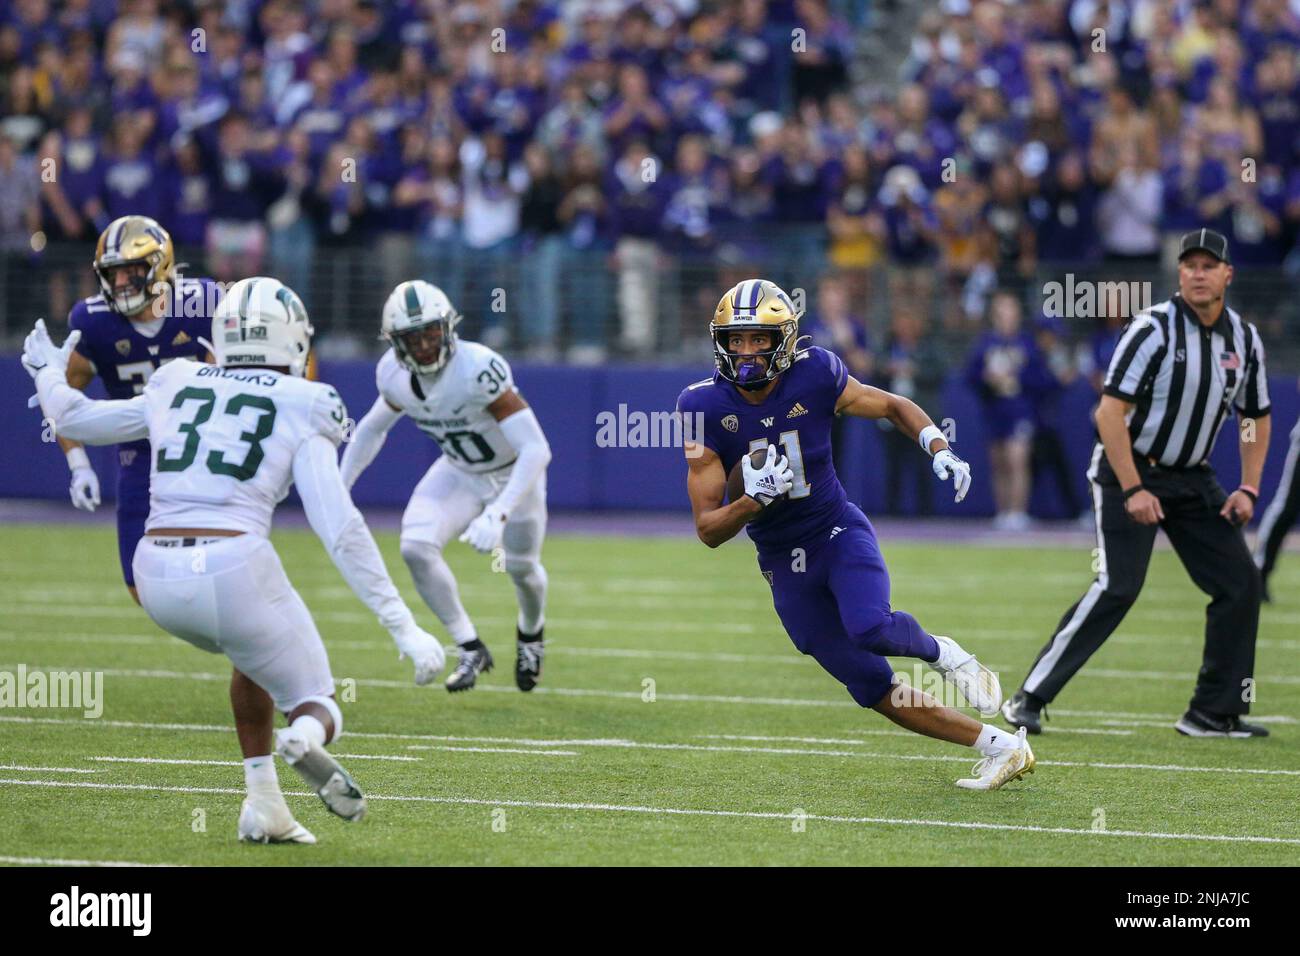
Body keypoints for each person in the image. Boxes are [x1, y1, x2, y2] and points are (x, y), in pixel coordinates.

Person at [23, 277, 445, 844]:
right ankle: (304, 737)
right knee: (317, 701)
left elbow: (75, 419)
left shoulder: (175, 379)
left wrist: (48, 371)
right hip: (233, 566)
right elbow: (339, 527)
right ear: (295, 342)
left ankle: (265, 805)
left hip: (156, 576)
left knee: (253, 654)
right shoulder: (308, 401)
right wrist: (403, 625)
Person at [675, 278, 1035, 791]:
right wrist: (753, 500)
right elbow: (708, 530)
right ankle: (1004, 748)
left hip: (835, 528)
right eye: (736, 339)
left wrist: (939, 448)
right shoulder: (700, 406)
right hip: (780, 558)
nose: (747, 351)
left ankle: (945, 653)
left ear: (783, 340)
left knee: (869, 626)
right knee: (870, 686)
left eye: (758, 338)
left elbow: (890, 405)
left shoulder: (816, 372)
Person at [1002, 229, 1272, 738]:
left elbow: (1254, 417)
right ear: (1179, 273)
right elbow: (1109, 413)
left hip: (1192, 476)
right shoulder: (1153, 329)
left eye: (1208, 265)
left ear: (1227, 275)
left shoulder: (1245, 340)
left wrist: (1250, 486)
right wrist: (1132, 489)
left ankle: (1212, 711)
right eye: (1189, 264)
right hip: (1131, 466)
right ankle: (1029, 696)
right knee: (1118, 586)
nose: (1197, 273)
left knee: (1241, 583)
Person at [341, 281, 553, 693]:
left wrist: (498, 511)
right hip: (458, 470)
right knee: (415, 546)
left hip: (514, 474)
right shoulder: (392, 373)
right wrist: (338, 488)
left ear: (448, 327)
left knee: (522, 569)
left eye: (431, 332)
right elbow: (369, 430)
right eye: (412, 337)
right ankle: (469, 645)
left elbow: (536, 449)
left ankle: (531, 632)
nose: (423, 345)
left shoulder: (477, 368)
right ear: (394, 342)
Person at [57, 215, 218, 603]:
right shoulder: (92, 323)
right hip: (138, 450)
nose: (122, 283)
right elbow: (61, 400)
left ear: (161, 267)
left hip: (200, 449)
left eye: (133, 271)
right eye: (114, 274)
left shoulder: (201, 304)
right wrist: (78, 465)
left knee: (219, 564)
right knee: (136, 582)